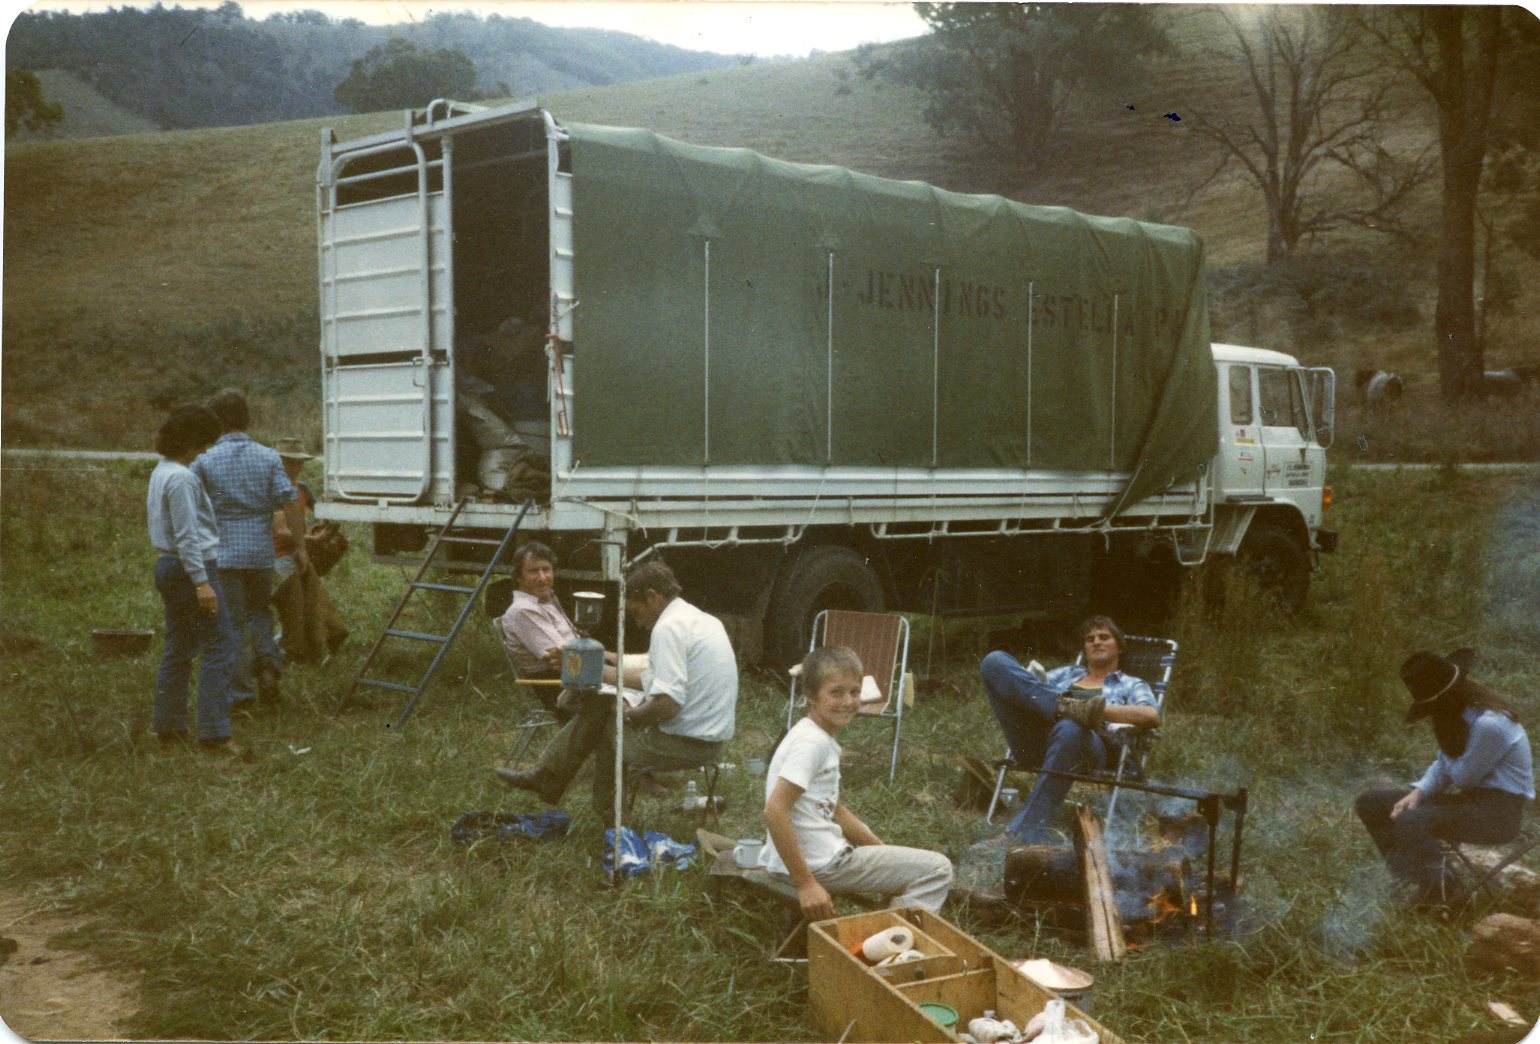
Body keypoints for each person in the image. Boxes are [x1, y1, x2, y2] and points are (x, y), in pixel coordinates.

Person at [495, 560, 737, 816]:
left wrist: (628, 716)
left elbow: (667, 704)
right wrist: (600, 668)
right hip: (709, 739)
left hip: (686, 745)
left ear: (652, 597)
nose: (638, 622)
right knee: (602, 709)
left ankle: (608, 820)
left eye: (636, 613)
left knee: (603, 725)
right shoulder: (698, 619)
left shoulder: (668, 629)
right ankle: (553, 780)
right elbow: (652, 676)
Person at [760, 645, 953, 919]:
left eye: (855, 692)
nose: (848, 701)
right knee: (938, 868)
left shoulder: (815, 736)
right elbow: (775, 810)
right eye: (836, 692)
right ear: (810, 695)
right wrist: (806, 885)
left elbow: (836, 810)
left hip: (812, 859)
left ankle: (885, 927)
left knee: (910, 865)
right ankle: (888, 937)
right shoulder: (811, 743)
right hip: (821, 865)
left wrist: (883, 852)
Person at [1355, 648, 1534, 909]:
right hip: (1470, 803)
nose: (1432, 714)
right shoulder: (1461, 715)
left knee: (1412, 819)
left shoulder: (1490, 724)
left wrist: (1444, 733)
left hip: (1500, 814)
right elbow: (1445, 764)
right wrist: (1418, 792)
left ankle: (1446, 896)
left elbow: (1463, 776)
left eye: (1433, 708)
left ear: (1445, 699)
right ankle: (1415, 882)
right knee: (1370, 803)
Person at [980, 616, 1160, 843]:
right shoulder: (1066, 675)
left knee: (1070, 727)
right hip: (1037, 741)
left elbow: (1151, 715)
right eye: (1090, 639)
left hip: (1088, 746)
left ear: (1120, 647)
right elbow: (1025, 689)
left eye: (1104, 637)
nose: (1096, 642)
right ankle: (1065, 707)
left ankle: (1021, 833)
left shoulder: (1130, 683)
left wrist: (1098, 710)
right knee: (994, 661)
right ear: (1084, 648)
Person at [192, 390, 308, 708]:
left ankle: (241, 691)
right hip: (260, 552)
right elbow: (289, 501)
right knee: (260, 613)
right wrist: (300, 545)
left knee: (233, 623)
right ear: (246, 419)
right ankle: (269, 666)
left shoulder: (204, 460)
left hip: (224, 553)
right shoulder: (269, 457)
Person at [147, 404, 241, 753]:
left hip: (169, 566)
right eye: (201, 443)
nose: (203, 451)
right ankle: (214, 733)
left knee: (180, 645)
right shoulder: (183, 478)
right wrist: (202, 582)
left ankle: (168, 727)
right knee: (220, 644)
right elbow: (187, 536)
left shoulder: (163, 470)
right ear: (189, 441)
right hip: (191, 569)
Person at [497, 541, 638, 718]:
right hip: (561, 687)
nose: (542, 577)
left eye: (546, 569)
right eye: (533, 571)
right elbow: (567, 658)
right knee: (641, 692)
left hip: (578, 675)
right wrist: (614, 661)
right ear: (518, 576)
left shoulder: (546, 599)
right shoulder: (523, 610)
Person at [270, 437, 316, 586]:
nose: (296, 467)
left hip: (301, 551)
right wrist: (312, 539)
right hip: (281, 555)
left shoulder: (302, 488)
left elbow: (321, 512)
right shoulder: (276, 492)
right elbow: (281, 533)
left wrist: (320, 529)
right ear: (279, 462)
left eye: (299, 462)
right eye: (290, 462)